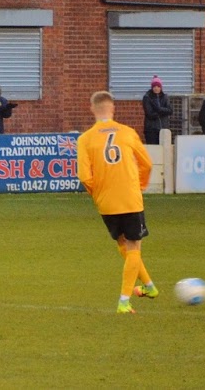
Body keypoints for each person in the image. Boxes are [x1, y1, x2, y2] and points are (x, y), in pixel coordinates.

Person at [75, 90, 156, 315]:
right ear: (113, 108)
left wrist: (97, 195)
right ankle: (124, 301)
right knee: (134, 247)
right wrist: (140, 185)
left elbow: (84, 176)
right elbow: (147, 164)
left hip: (106, 202)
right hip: (130, 198)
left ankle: (149, 286)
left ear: (92, 109)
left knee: (123, 245)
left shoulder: (85, 139)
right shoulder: (127, 132)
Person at [141, 77, 170, 144]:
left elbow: (170, 110)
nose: (156, 88)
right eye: (154, 86)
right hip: (151, 129)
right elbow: (149, 114)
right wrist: (162, 112)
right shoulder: (147, 97)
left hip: (163, 129)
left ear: (161, 87)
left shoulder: (165, 97)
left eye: (158, 86)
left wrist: (159, 109)